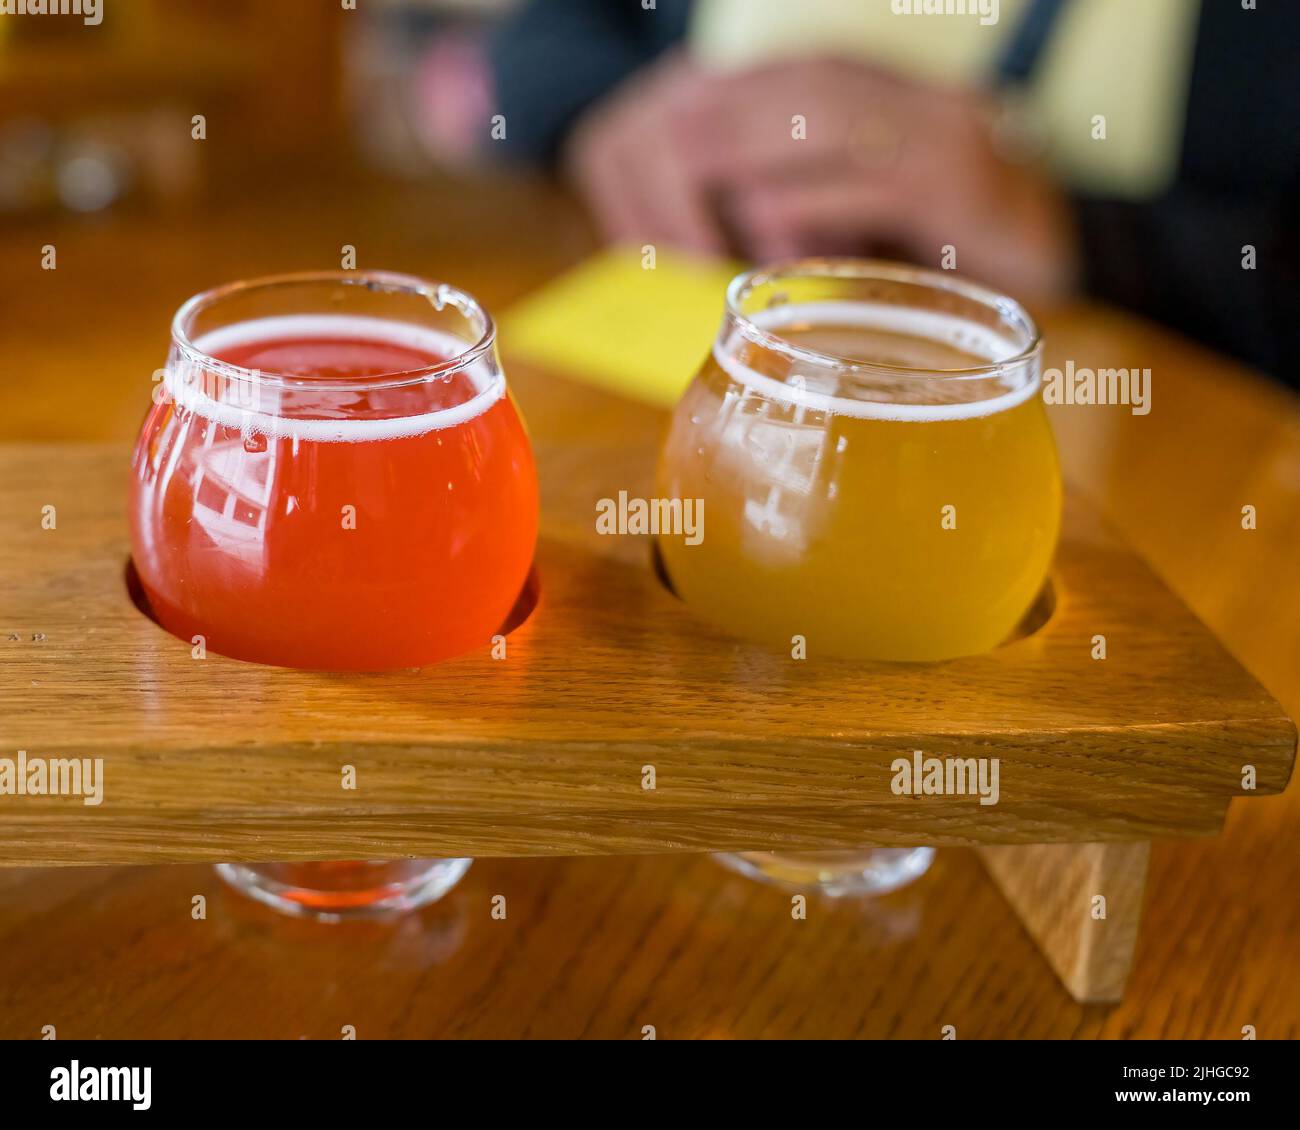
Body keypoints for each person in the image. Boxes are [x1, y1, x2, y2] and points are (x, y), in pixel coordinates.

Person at [417, 0, 1300, 384]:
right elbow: (554, 33)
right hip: (704, 413)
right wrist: (608, 116)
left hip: (1147, 512)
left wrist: (1079, 233)